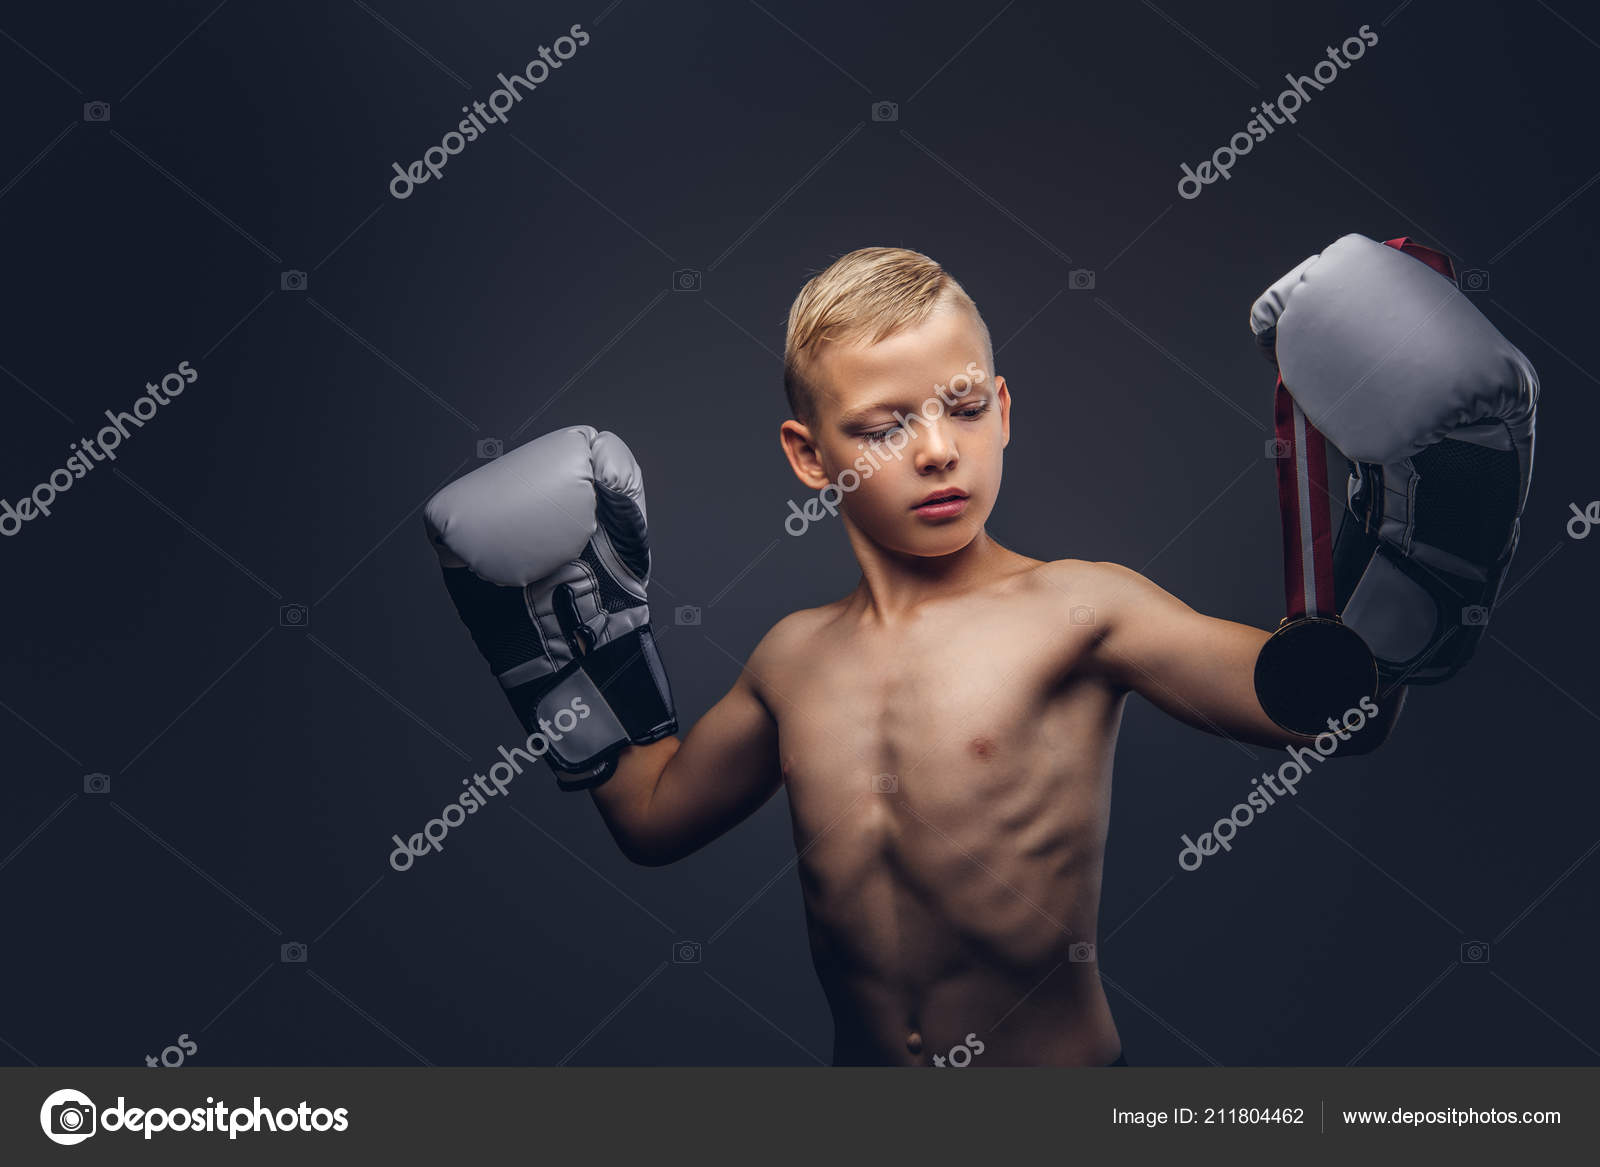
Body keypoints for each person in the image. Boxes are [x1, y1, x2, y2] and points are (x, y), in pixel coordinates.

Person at [422, 241, 1535, 1065]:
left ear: (1002, 410)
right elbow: (650, 820)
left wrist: (1410, 572)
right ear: (810, 459)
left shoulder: (1081, 608)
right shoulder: (791, 659)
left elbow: (1325, 710)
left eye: (960, 405)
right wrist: (563, 662)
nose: (936, 448)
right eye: (882, 425)